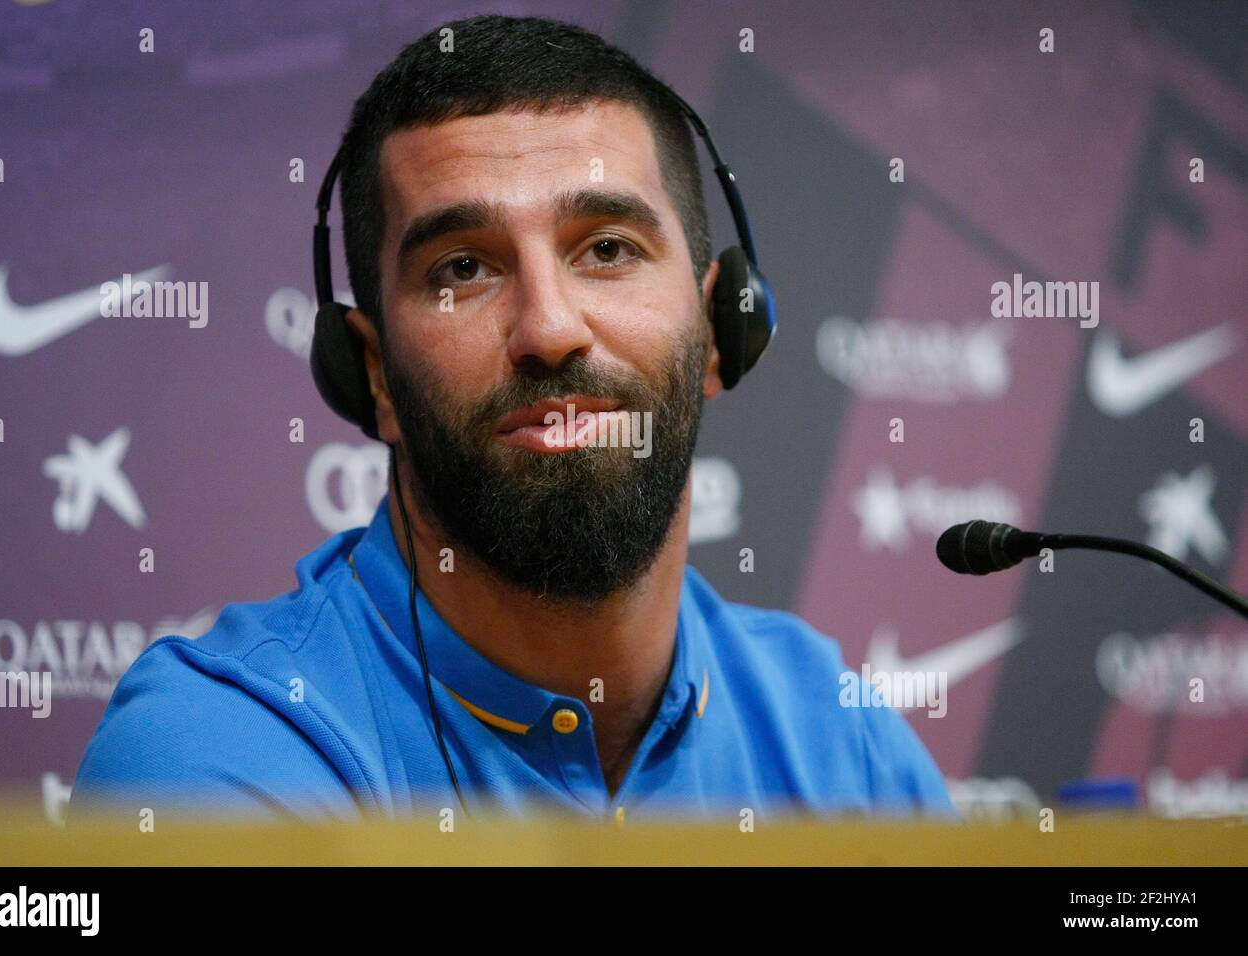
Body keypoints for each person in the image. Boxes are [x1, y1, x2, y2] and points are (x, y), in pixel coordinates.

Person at [70, 14, 956, 824]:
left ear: (725, 330)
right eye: (463, 269)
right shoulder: (218, 751)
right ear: (372, 373)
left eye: (607, 249)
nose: (549, 328)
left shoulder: (839, 743)